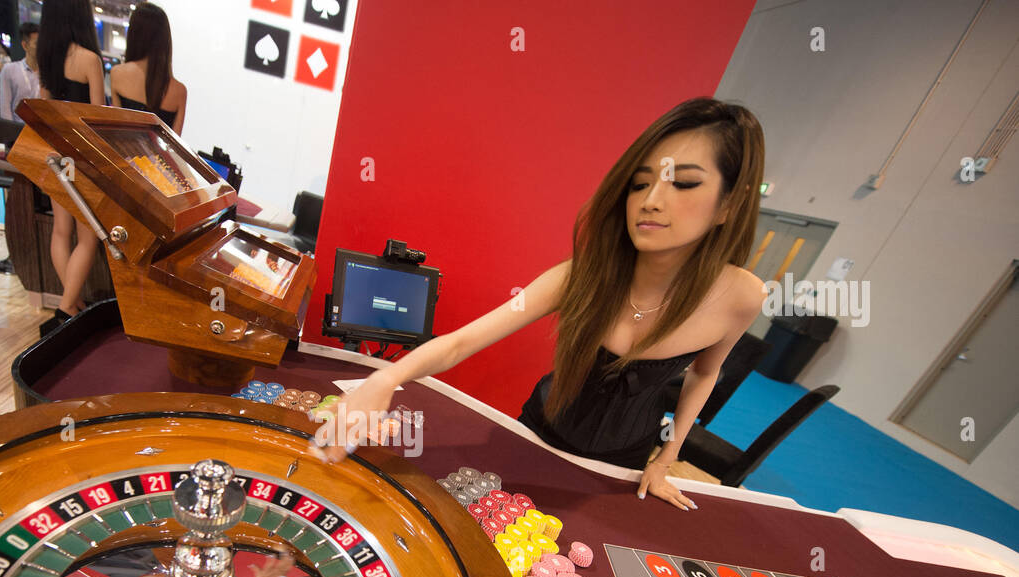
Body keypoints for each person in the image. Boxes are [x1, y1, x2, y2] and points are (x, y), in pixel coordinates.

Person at [316, 98, 767, 512]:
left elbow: (706, 372)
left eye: (684, 183)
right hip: (534, 433)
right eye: (640, 183)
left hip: (624, 460)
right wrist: (386, 377)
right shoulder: (581, 275)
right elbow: (460, 343)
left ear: (730, 204)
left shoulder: (741, 296)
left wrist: (666, 459)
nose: (650, 201)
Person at [37, 0, 106, 333]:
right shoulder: (90, 60)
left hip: (54, 155)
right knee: (89, 237)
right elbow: (99, 118)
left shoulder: (46, 59)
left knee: (60, 232)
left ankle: (72, 305)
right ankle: (67, 308)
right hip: (81, 159)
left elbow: (42, 111)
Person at [110, 3, 186, 135]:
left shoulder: (117, 73)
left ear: (134, 34)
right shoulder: (179, 91)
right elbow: (173, 150)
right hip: (160, 156)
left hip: (122, 155)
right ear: (165, 40)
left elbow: (116, 132)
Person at [0, 23, 41, 121]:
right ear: (25, 45)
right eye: (37, 44)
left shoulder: (47, 74)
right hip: (17, 129)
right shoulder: (9, 70)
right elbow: (5, 110)